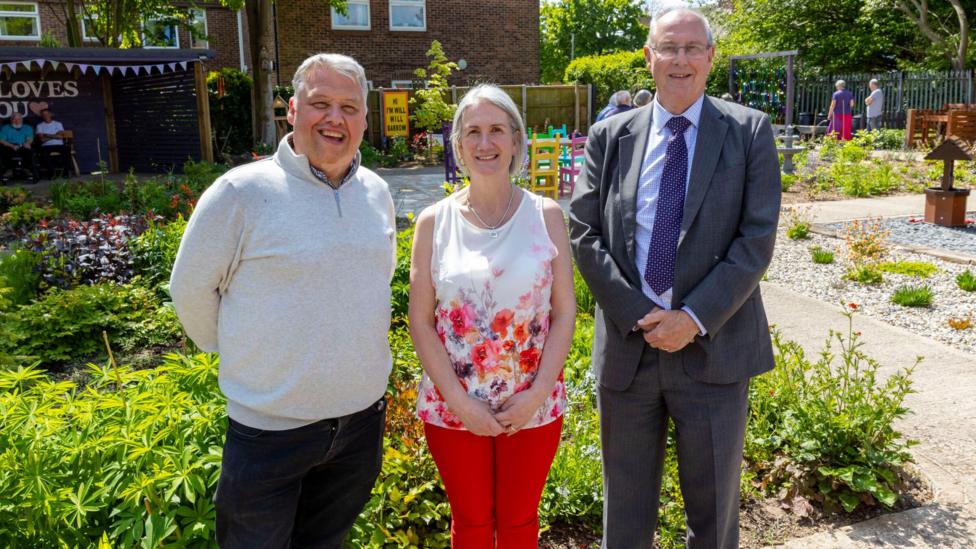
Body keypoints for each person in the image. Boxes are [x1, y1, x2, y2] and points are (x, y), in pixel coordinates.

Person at [569, 6, 780, 548]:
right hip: (629, 352)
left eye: (692, 48)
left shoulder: (749, 131)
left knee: (713, 521)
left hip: (714, 352)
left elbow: (755, 241)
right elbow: (583, 233)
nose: (680, 59)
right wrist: (641, 315)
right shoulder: (609, 137)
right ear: (649, 57)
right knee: (627, 516)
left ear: (711, 57)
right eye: (669, 47)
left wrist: (691, 318)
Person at [169, 53, 396, 548]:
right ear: (292, 110)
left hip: (359, 428)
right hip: (268, 435)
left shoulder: (378, 192)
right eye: (320, 103)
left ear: (363, 117)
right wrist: (248, 358)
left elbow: (379, 280)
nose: (335, 118)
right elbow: (189, 290)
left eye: (349, 107)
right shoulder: (241, 192)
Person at [408, 84, 575, 547]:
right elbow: (420, 320)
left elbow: (565, 311)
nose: (486, 143)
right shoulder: (433, 222)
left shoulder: (547, 215)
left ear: (516, 140)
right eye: (474, 132)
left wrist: (537, 394)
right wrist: (461, 404)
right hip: (453, 407)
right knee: (473, 524)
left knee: (520, 522)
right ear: (459, 145)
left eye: (497, 130)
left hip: (531, 405)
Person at [0, 112, 38, 183]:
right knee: (3, 153)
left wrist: (27, 143)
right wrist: (12, 146)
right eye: (15, 119)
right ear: (11, 120)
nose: (17, 121)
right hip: (9, 146)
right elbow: (2, 140)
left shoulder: (27, 127)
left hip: (22, 145)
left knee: (30, 152)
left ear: (22, 120)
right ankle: (8, 170)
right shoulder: (5, 128)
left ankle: (29, 170)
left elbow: (30, 139)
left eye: (19, 119)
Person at [35, 109, 72, 178]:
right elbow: (42, 139)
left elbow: (61, 136)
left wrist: (46, 135)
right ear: (42, 116)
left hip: (59, 145)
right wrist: (55, 136)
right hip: (46, 146)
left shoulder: (58, 124)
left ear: (50, 114)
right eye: (43, 115)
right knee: (43, 154)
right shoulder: (39, 126)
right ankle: (52, 173)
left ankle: (66, 172)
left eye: (46, 114)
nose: (45, 116)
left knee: (67, 150)